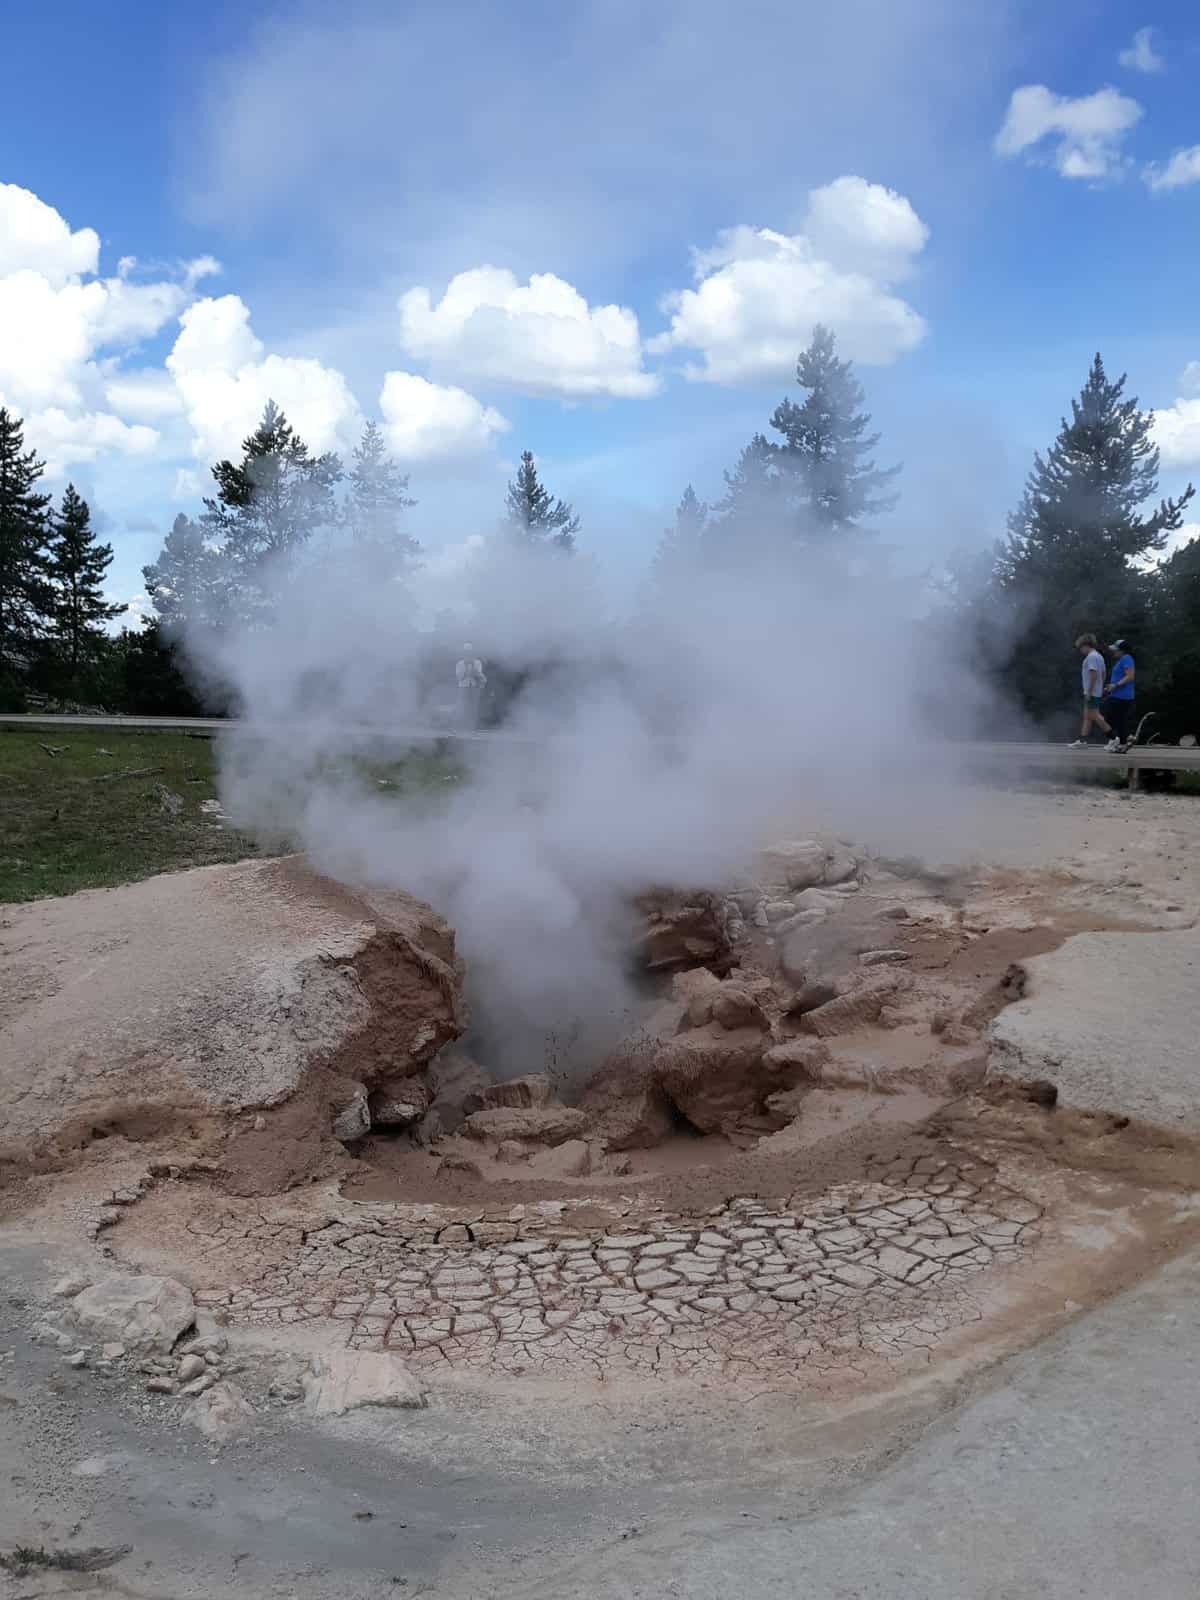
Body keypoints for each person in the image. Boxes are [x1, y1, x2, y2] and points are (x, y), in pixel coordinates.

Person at [1069, 633, 1111, 747]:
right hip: (1095, 691)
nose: (1081, 650)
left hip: (1091, 692)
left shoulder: (1091, 657)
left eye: (1081, 648)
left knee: (1095, 716)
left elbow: (1093, 675)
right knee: (1087, 716)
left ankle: (1113, 737)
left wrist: (1089, 691)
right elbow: (1103, 673)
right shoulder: (1099, 656)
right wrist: (1100, 688)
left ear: (1086, 645)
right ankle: (1083, 741)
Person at [1102, 638, 1136, 751]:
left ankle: (1117, 741)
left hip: (1122, 695)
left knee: (1109, 719)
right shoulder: (1122, 659)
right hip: (1117, 694)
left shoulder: (1126, 658)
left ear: (1122, 650)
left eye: (1115, 649)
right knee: (1119, 719)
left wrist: (1115, 685)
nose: (1113, 652)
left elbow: (1130, 676)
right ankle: (1124, 741)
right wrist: (1110, 687)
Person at [455, 642, 486, 730]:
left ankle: (473, 726)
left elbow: (478, 675)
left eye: (469, 652)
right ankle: (462, 725)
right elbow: (459, 677)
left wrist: (472, 666)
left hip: (474, 687)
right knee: (463, 706)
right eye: (466, 652)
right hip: (463, 687)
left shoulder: (477, 662)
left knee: (474, 706)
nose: (468, 654)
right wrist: (466, 666)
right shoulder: (459, 663)